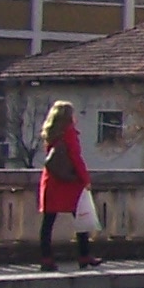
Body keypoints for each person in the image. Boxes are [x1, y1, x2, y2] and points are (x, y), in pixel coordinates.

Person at [37, 99, 102, 270]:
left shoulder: (51, 133)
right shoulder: (69, 132)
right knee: (81, 218)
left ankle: (46, 259)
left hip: (52, 180)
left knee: (48, 223)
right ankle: (84, 255)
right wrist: (85, 179)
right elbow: (75, 157)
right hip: (69, 183)